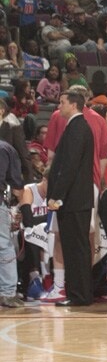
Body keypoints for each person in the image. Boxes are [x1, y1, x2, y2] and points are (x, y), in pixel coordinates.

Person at [46, 89, 94, 307]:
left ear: (74, 105)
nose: (59, 106)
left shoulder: (77, 128)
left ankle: (80, 295)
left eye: (62, 102)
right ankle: (77, 294)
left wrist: (57, 196)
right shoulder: (76, 127)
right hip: (75, 200)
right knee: (75, 248)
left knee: (77, 249)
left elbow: (69, 166)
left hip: (73, 200)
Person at [0, 132, 24, 309]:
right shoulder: (7, 148)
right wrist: (16, 207)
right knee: (4, 245)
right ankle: (8, 293)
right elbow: (16, 187)